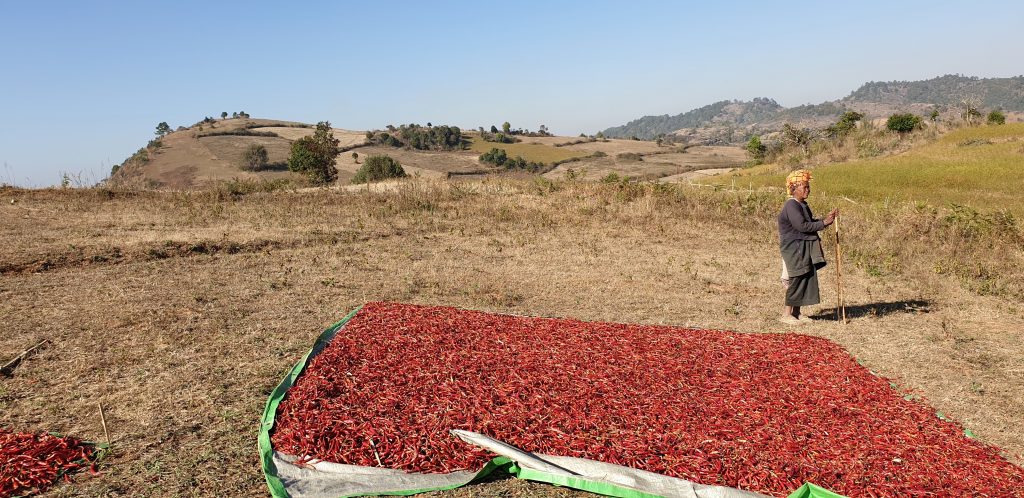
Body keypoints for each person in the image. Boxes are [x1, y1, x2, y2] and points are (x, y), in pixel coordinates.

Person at [778, 169, 837, 324]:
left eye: (808, 187)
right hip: (794, 246)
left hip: (803, 244)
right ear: (794, 188)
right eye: (804, 187)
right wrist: (823, 223)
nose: (807, 190)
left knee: (805, 276)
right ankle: (786, 315)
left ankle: (797, 313)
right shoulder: (791, 205)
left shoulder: (803, 205)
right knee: (797, 276)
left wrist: (826, 219)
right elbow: (802, 226)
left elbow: (810, 222)